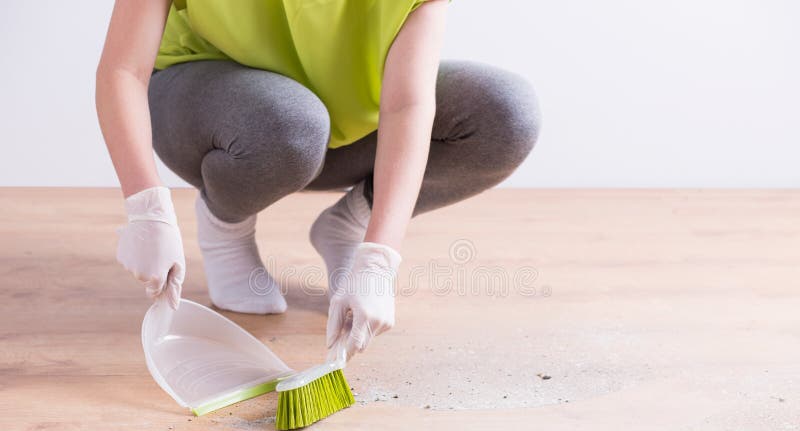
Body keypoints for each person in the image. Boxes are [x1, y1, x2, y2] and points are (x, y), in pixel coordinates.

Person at [95, 0, 541, 358]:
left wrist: (379, 256)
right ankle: (225, 226)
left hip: (333, 125)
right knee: (291, 124)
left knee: (507, 114)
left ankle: (346, 225)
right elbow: (123, 70)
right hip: (214, 111)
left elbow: (407, 106)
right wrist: (146, 207)